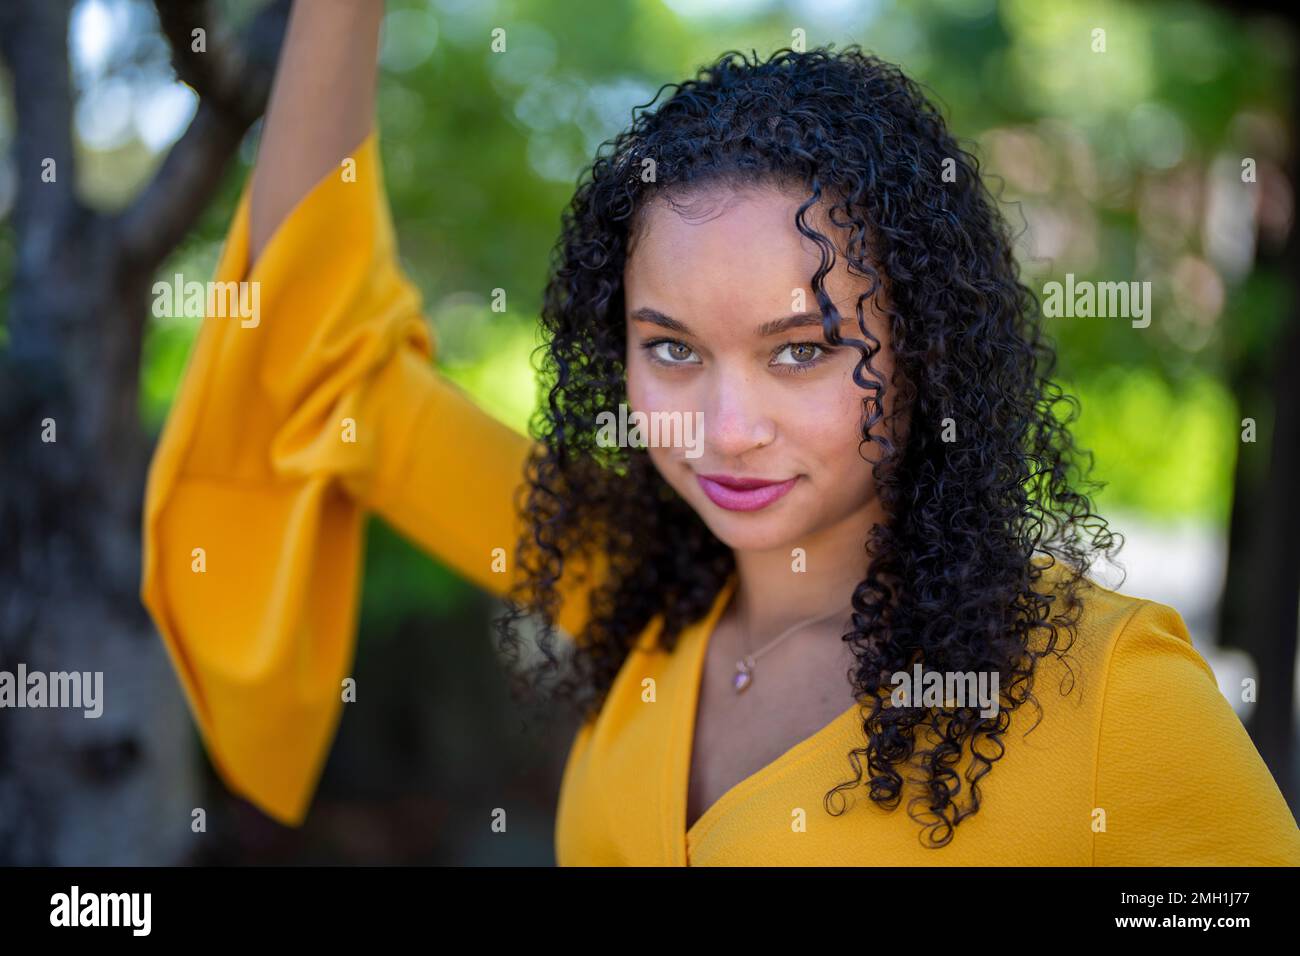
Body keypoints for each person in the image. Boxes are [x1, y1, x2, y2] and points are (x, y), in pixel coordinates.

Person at [140, 0, 1300, 865]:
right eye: (672, 347)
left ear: (929, 346)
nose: (723, 430)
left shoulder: (1115, 698)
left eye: (802, 348)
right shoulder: (627, 578)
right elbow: (313, 356)